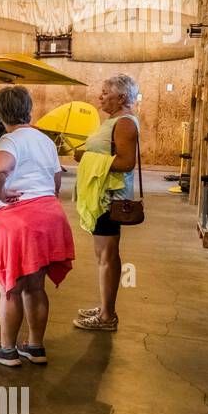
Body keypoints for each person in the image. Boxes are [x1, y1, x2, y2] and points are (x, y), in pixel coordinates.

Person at [0, 85, 75, 367]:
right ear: (29, 109)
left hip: (20, 220)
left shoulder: (10, 141)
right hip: (50, 215)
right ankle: (34, 346)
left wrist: (1, 191)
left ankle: (7, 350)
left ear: (0, 113)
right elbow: (56, 180)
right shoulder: (44, 140)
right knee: (35, 287)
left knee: (10, 288)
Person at [72, 74, 141, 332]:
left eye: (105, 92)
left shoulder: (124, 123)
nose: (100, 97)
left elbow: (126, 163)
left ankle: (107, 317)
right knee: (102, 255)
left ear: (121, 97)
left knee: (108, 257)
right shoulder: (113, 120)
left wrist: (89, 159)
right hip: (102, 196)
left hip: (110, 199)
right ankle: (104, 307)